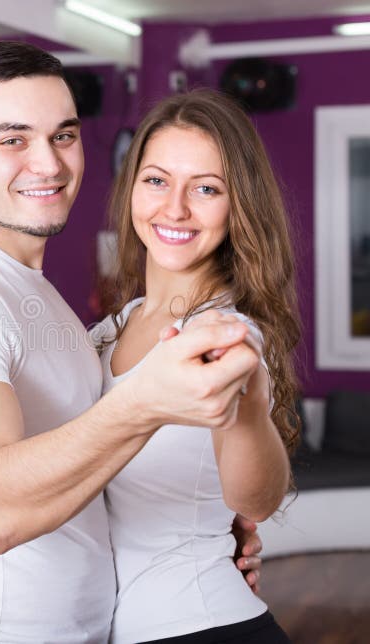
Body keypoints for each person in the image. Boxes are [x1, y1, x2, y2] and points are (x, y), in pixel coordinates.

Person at [0, 41, 263, 643]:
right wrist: (145, 401)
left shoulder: (33, 293)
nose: (48, 163)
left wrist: (205, 531)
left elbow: (79, 466)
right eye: (12, 140)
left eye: (63, 135)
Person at [93, 89, 297, 643]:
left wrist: (250, 409)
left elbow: (255, 501)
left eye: (206, 189)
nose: (175, 208)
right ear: (131, 186)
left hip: (200, 626)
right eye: (157, 180)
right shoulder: (107, 333)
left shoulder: (227, 338)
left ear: (238, 207)